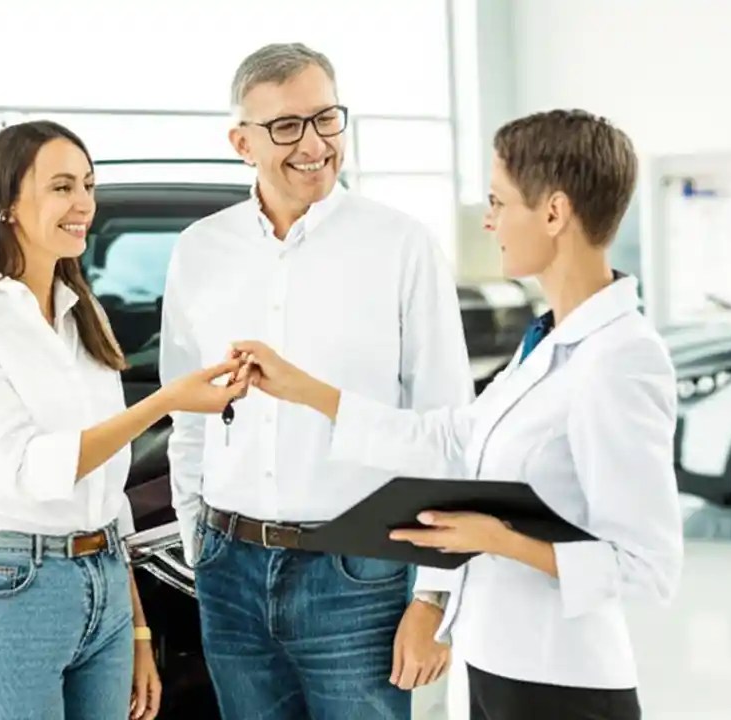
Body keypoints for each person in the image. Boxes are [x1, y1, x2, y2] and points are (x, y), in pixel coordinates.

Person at [232, 109, 683, 720]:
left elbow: (648, 568)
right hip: (499, 663)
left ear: (553, 214)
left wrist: (499, 540)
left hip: (565, 685)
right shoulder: (549, 344)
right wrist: (303, 389)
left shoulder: (621, 358)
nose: (490, 221)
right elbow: (446, 436)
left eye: (498, 202)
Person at [158, 43, 473, 719]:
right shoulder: (200, 252)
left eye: (327, 119)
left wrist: (434, 598)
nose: (315, 144)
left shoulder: (401, 245)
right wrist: (197, 540)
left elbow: (449, 430)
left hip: (357, 572)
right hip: (229, 565)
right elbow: (189, 416)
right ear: (241, 142)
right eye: (287, 127)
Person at [0, 120, 249, 720]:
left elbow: (103, 496)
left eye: (89, 186)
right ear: (5, 205)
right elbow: (29, 471)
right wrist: (165, 402)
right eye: (62, 187)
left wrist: (138, 630)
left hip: (102, 580)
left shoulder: (81, 315)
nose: (84, 205)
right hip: (12, 587)